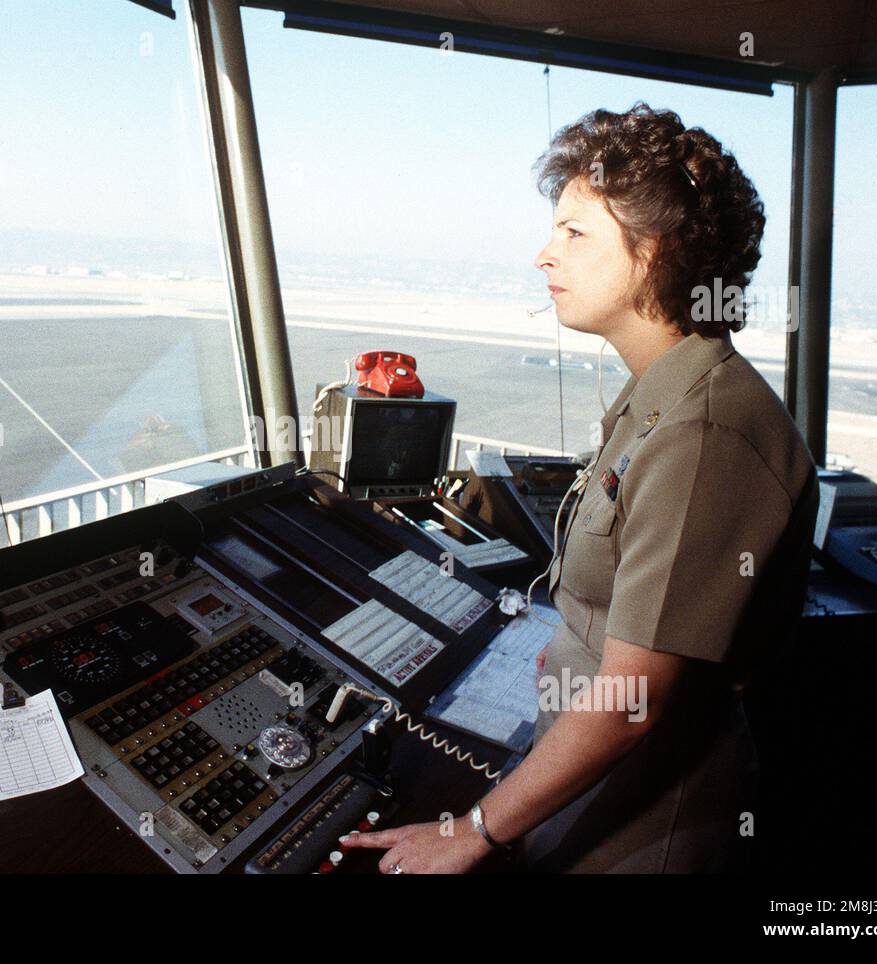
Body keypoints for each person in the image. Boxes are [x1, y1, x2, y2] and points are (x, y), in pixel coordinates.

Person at [341, 102, 819, 873]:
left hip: (645, 826)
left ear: (654, 251)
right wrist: (573, 652)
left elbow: (632, 704)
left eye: (573, 232)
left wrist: (469, 833)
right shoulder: (659, 396)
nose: (544, 256)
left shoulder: (705, 433)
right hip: (592, 778)